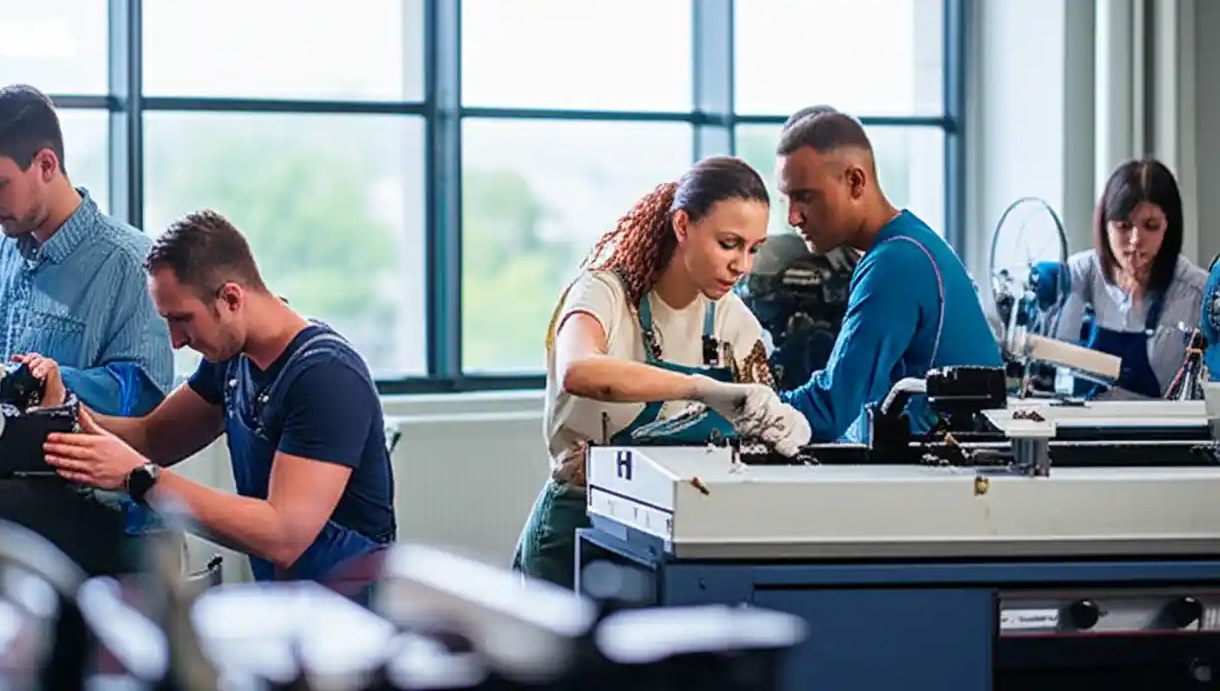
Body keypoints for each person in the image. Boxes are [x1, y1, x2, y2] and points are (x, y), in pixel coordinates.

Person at [34, 209, 396, 584]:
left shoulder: (326, 377)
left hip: (351, 611)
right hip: (290, 601)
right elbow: (153, 438)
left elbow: (285, 535)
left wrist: (139, 478)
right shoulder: (231, 358)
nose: (176, 341)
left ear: (231, 299)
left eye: (183, 319)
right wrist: (66, 411)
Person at [512, 156, 811, 590]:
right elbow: (577, 371)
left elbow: (756, 431)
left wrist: (774, 424)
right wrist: (702, 388)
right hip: (578, 522)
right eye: (729, 243)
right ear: (683, 226)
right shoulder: (604, 294)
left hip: (677, 536)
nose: (742, 266)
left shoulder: (735, 323)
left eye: (754, 248)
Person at [773, 105, 1002, 443]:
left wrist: (736, 406)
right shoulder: (911, 242)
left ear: (855, 181)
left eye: (805, 197)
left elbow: (830, 411)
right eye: (786, 200)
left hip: (941, 476)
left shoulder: (895, 263)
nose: (793, 217)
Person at [0, 84, 172, 416]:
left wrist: (27, 381)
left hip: (69, 467)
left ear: (46, 165)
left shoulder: (131, 264)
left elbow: (140, 399)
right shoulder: (3, 251)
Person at [1051, 159, 1208, 398]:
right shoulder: (1079, 275)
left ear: (1169, 227)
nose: (1135, 240)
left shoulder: (1197, 293)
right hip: (1079, 429)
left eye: (1151, 226)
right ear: (1105, 226)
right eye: (1124, 226)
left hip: (1161, 432)